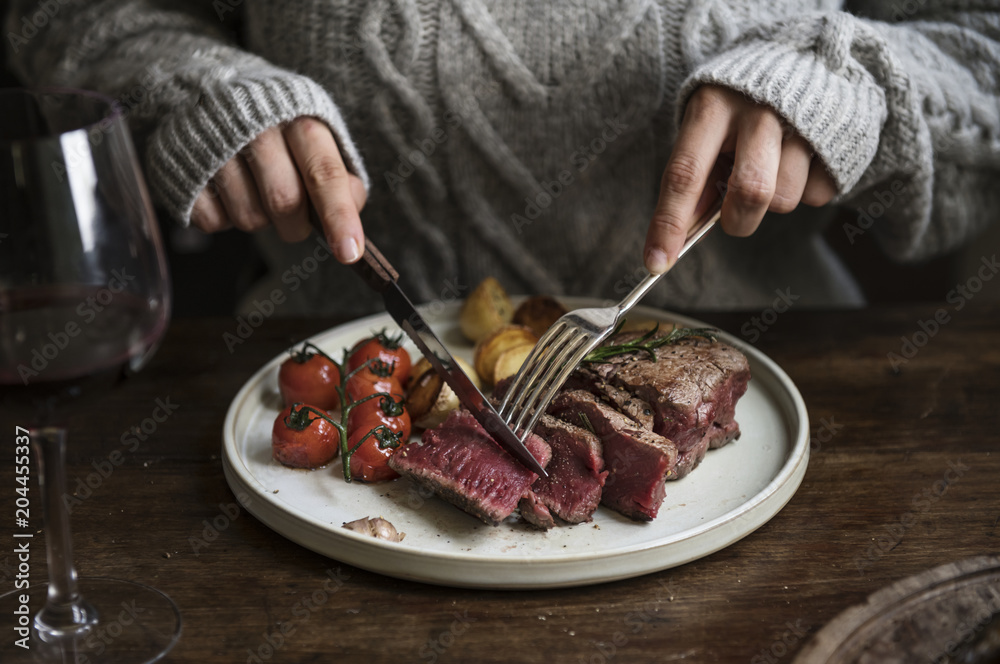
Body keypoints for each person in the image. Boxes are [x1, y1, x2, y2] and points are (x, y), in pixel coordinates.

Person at [7, 0, 999, 318]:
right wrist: (183, 83)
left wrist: (861, 78)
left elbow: (979, 52)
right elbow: (70, 15)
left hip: (793, 430)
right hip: (321, 448)